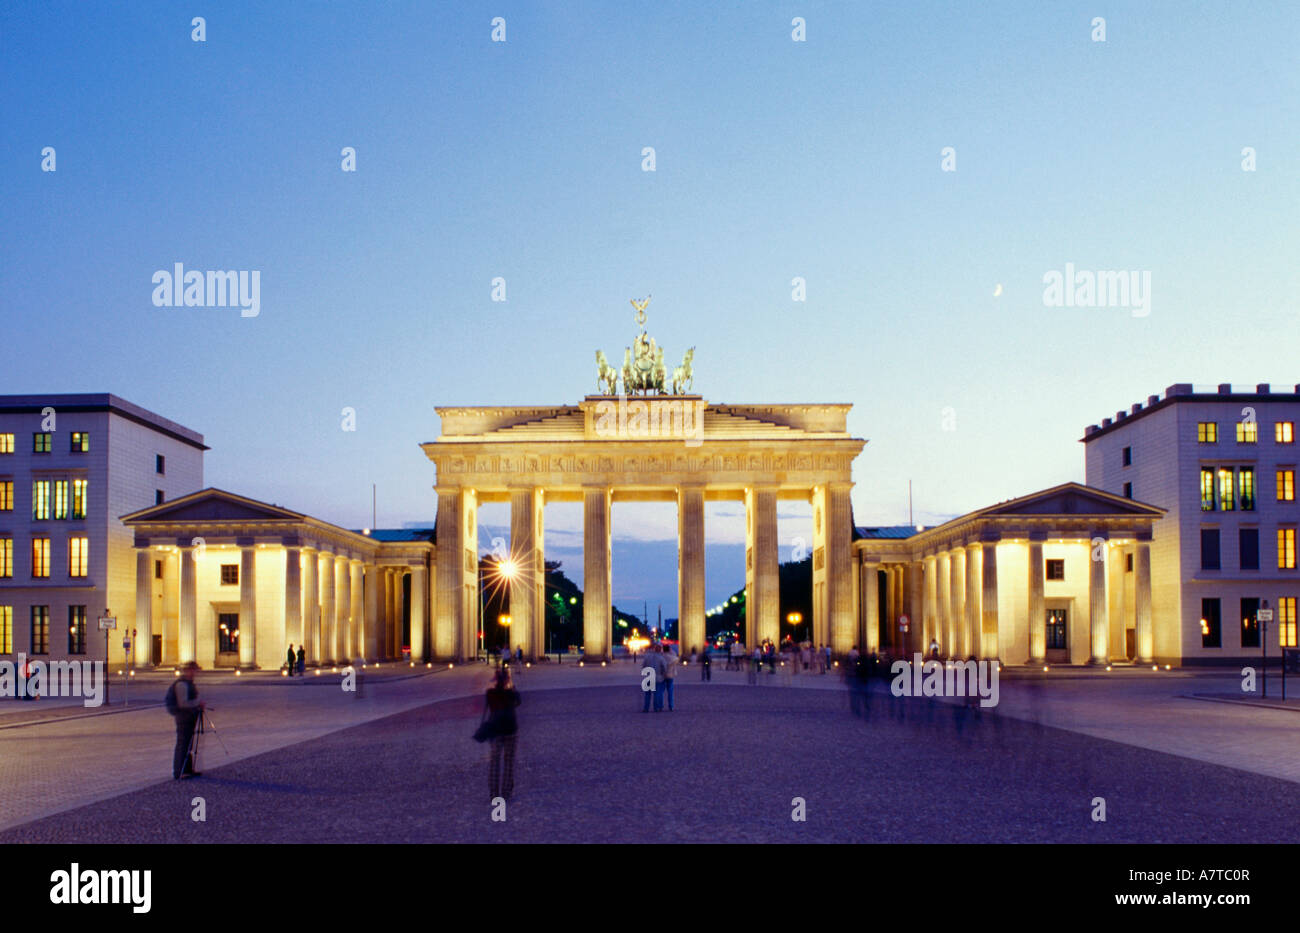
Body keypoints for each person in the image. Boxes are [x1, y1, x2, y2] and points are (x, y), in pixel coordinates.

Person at [483, 668, 521, 800]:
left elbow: (488, 707)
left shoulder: (490, 693)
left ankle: (494, 793)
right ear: (507, 681)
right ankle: (506, 792)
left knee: (494, 762)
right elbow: (518, 702)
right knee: (509, 762)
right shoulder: (511, 694)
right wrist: (512, 688)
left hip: (495, 731)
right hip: (510, 731)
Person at [168, 661, 205, 779]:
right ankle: (179, 771)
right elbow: (182, 703)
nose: (195, 673)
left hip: (190, 716)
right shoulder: (182, 684)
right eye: (194, 670)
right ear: (189, 670)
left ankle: (187, 769)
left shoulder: (188, 683)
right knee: (182, 744)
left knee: (188, 744)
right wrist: (197, 703)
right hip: (183, 717)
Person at [641, 643, 668, 712]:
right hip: (657, 677)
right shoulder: (661, 658)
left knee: (647, 694)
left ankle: (646, 708)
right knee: (656, 693)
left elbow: (643, 666)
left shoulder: (647, 657)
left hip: (648, 677)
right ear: (660, 650)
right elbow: (664, 668)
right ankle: (656, 708)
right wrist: (664, 675)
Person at [663, 644, 679, 711]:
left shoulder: (662, 656)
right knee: (670, 692)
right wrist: (671, 651)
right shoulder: (672, 657)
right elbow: (676, 658)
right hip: (670, 675)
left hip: (662, 675)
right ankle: (671, 706)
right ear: (669, 649)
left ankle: (660, 705)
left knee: (661, 691)